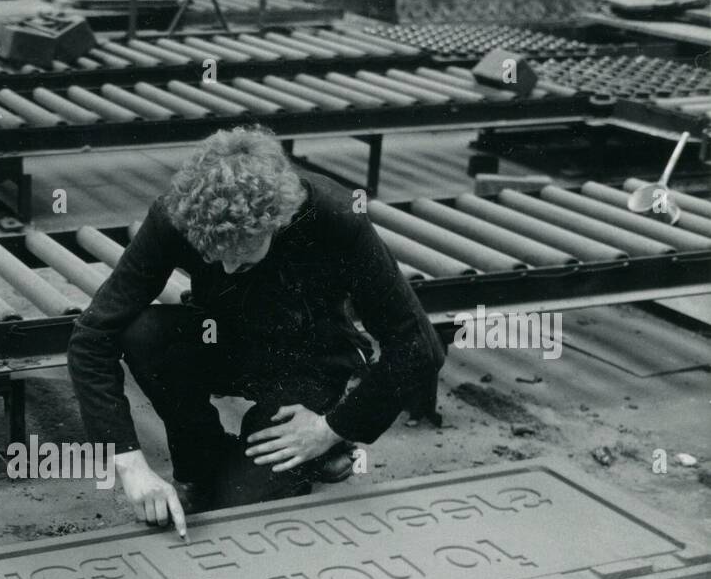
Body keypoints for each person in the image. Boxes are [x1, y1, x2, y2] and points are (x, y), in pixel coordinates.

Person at [67, 125, 446, 536]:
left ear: (277, 221)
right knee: (143, 332)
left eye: (242, 260)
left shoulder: (335, 216)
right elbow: (91, 338)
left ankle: (320, 451)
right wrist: (129, 463)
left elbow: (417, 344)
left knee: (236, 513)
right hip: (224, 340)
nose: (227, 270)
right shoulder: (174, 216)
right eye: (216, 259)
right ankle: (203, 461)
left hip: (309, 357)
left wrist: (331, 427)